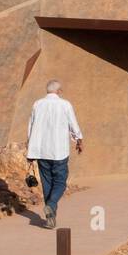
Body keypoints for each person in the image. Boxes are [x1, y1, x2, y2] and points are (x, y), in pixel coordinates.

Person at [25, 79, 83, 228]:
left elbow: (30, 126)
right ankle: (51, 204)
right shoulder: (65, 104)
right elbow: (73, 123)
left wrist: (30, 148)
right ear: (59, 91)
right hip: (59, 151)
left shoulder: (37, 104)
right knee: (60, 182)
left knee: (47, 183)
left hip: (41, 151)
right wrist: (79, 139)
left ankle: (51, 217)